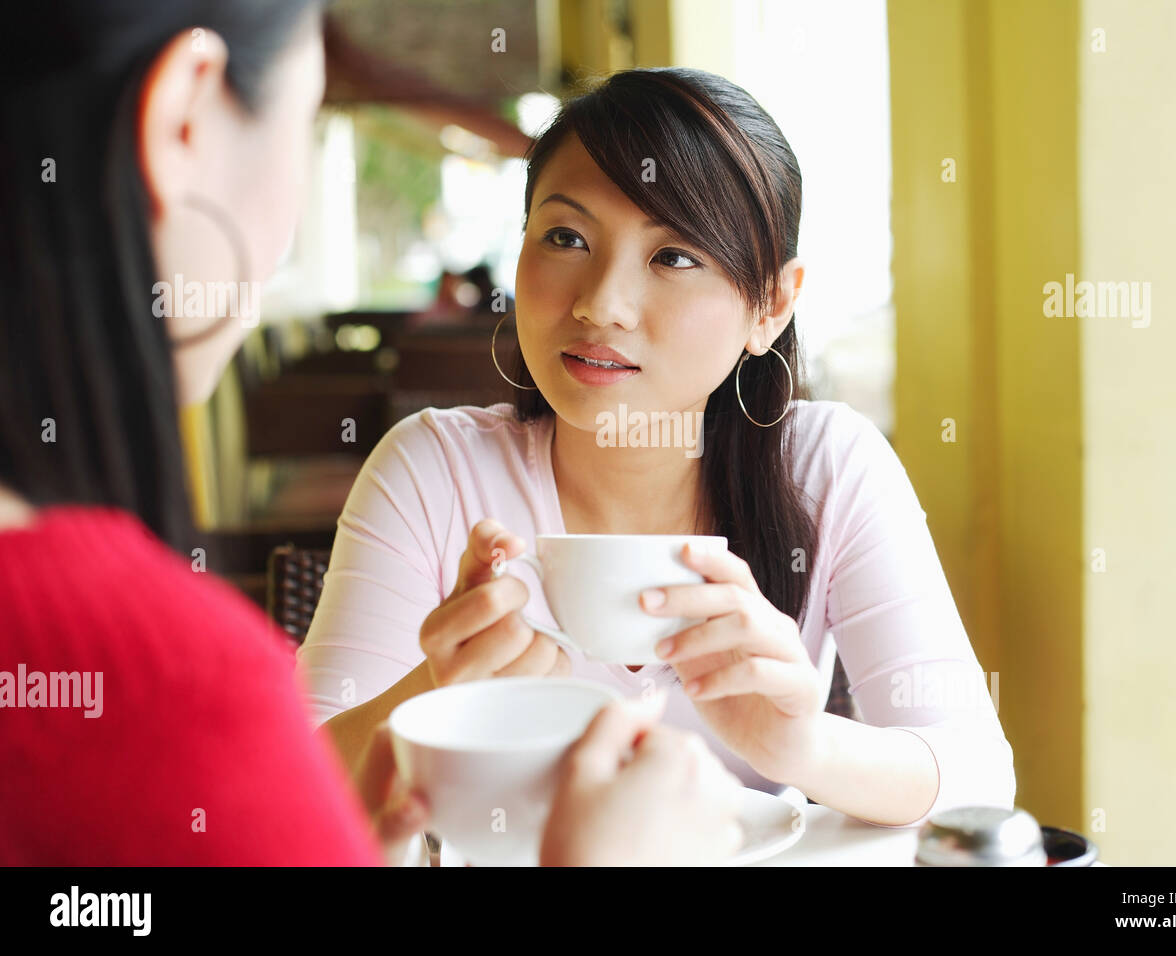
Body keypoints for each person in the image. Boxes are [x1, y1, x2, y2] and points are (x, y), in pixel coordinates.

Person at [0, 0, 742, 866]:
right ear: (185, 122)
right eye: (306, 123)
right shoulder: (149, 684)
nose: (602, 304)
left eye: (675, 254)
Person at [301, 67, 1017, 828]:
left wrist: (803, 748)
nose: (599, 303)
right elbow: (283, 782)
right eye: (566, 237)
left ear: (771, 304)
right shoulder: (434, 471)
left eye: (673, 256)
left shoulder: (828, 468)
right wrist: (428, 690)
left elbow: (978, 784)